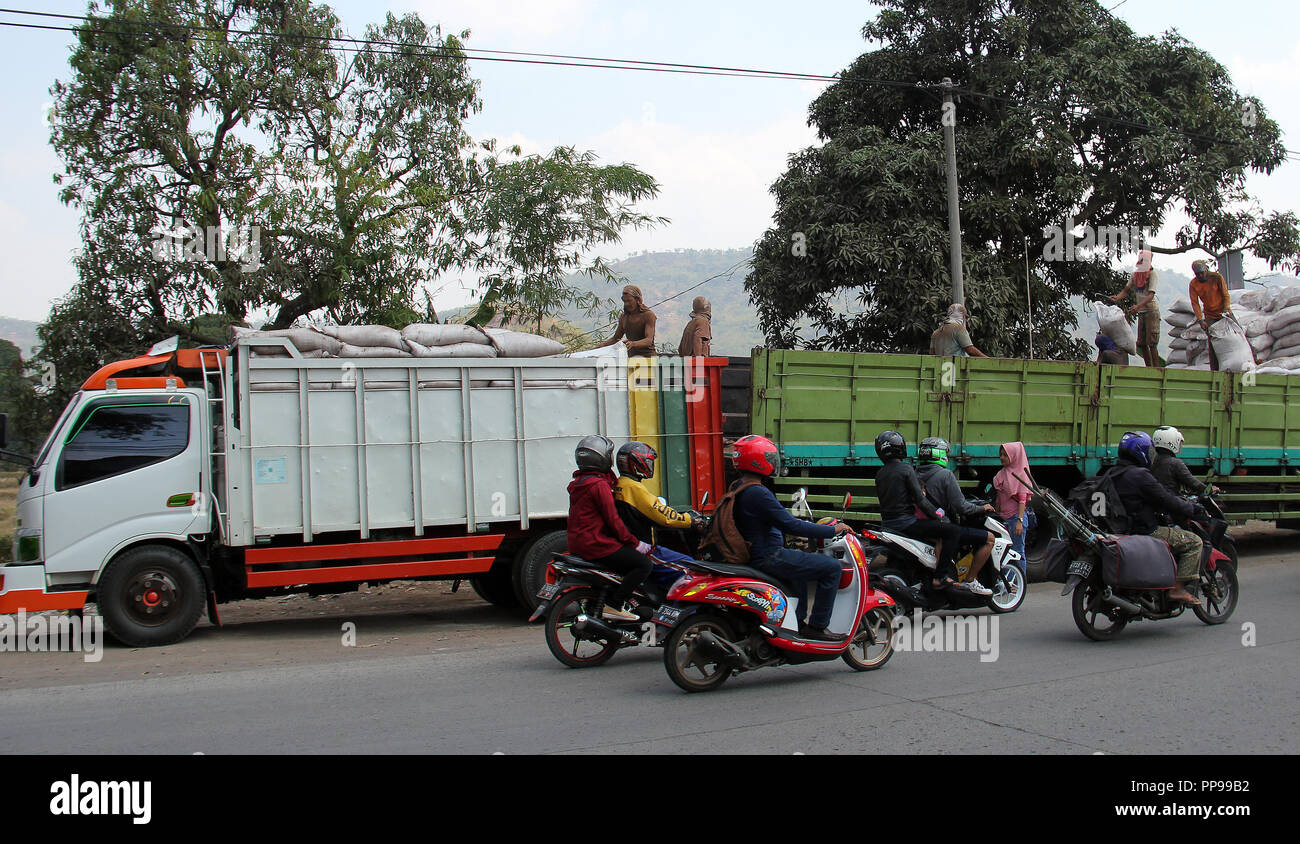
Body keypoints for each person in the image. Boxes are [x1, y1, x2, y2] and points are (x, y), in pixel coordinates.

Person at [728, 434, 851, 642]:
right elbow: (791, 524)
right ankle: (817, 627)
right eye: (769, 457)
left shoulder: (738, 486)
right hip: (769, 555)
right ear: (758, 461)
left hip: (758, 553)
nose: (772, 462)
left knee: (799, 567)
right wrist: (833, 530)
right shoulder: (758, 492)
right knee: (832, 568)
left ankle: (796, 621)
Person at [1100, 431, 1204, 605]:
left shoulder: (1110, 473)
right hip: (1145, 530)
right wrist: (1191, 508)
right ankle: (1178, 589)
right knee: (1194, 542)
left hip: (1120, 529)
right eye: (1149, 451)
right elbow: (1166, 499)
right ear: (1141, 452)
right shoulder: (1141, 475)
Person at [565, 434, 656, 621]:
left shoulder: (578, 483)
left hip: (577, 543)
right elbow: (613, 521)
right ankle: (615, 604)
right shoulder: (599, 485)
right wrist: (635, 543)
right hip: (596, 543)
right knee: (644, 564)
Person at [875, 430, 976, 593]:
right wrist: (939, 516)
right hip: (907, 523)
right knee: (953, 531)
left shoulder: (880, 474)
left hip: (888, 525)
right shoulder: (906, 469)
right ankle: (940, 576)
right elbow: (920, 501)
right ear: (901, 448)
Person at [916, 437, 996, 592]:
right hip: (941, 526)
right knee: (989, 539)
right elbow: (962, 507)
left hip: (920, 525)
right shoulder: (946, 475)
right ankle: (970, 580)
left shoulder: (914, 473)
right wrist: (981, 508)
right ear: (940, 454)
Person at [1111, 249, 1160, 367]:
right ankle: (1149, 367)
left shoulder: (1152, 274)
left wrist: (1138, 306)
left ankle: (1157, 369)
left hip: (1151, 311)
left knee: (1152, 343)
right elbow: (1126, 290)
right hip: (1142, 312)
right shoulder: (1135, 275)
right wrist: (1117, 297)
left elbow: (1151, 294)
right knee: (1142, 343)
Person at [992, 442, 1034, 573]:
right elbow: (999, 497)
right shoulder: (1001, 474)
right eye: (1001, 455)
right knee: (1004, 552)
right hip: (1004, 519)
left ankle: (1017, 583)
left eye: (1006, 455)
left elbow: (1022, 500)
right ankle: (1007, 582)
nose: (1002, 458)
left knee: (1017, 551)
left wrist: (1019, 521)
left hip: (1015, 518)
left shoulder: (1021, 475)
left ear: (1014, 456)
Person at [1189, 259, 1234, 372]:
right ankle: (1215, 369)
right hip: (1210, 315)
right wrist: (1200, 320)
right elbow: (1195, 303)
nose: (1200, 275)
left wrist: (1226, 308)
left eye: (1202, 272)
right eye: (1197, 274)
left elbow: (1225, 294)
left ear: (1206, 269)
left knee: (1238, 332)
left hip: (1224, 312)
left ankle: (1253, 358)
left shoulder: (1216, 278)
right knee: (1213, 342)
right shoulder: (1194, 284)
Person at [1151, 426, 1218, 498]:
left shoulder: (1153, 460)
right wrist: (1209, 490)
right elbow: (1192, 482)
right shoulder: (1175, 463)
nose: (1180, 445)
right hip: (1170, 502)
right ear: (1171, 441)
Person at [595, 285, 657, 357]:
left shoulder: (648, 315)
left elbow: (648, 340)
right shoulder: (624, 317)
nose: (627, 304)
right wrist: (601, 346)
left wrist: (633, 344)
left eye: (629, 301)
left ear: (637, 300)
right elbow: (616, 338)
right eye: (625, 301)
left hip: (648, 358)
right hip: (631, 358)